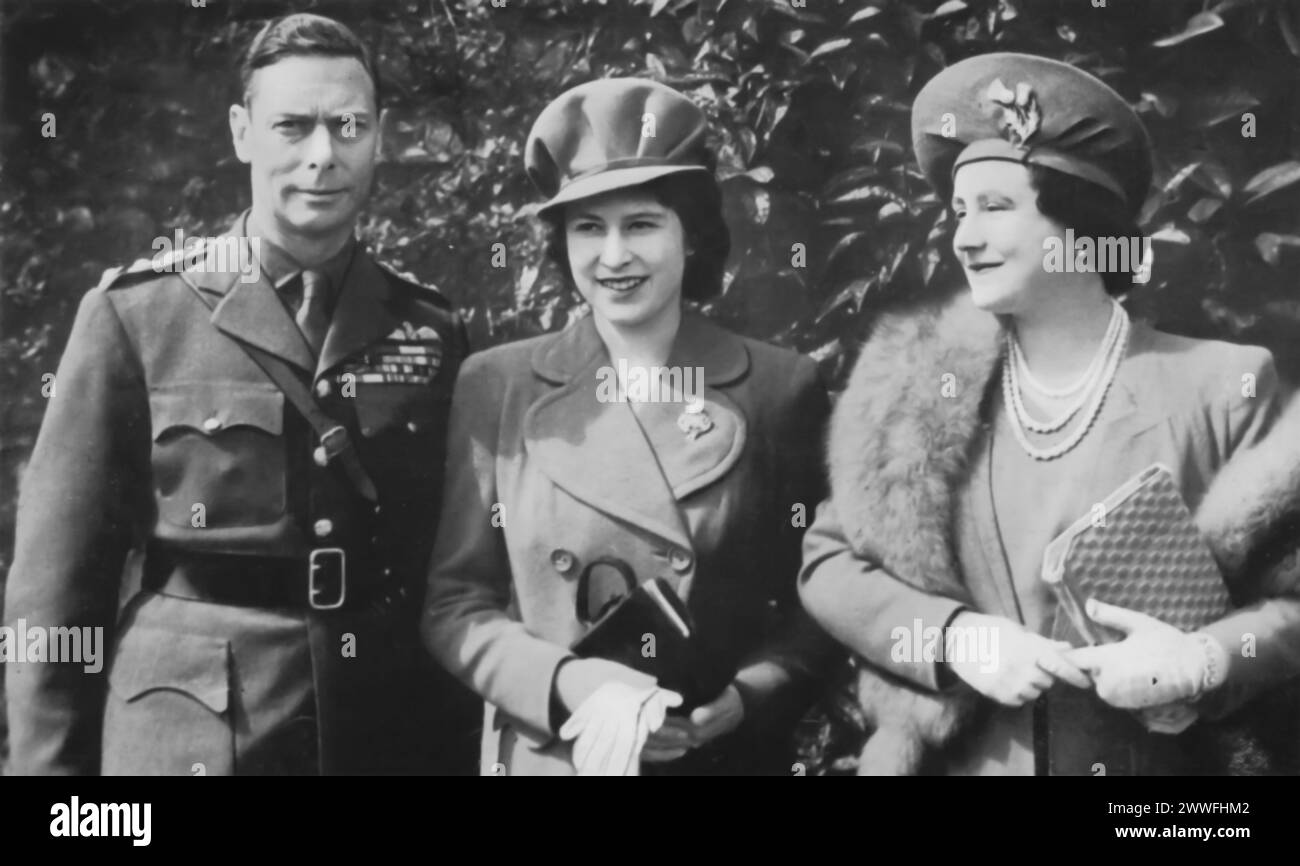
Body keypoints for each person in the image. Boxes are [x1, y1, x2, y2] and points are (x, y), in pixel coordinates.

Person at [798, 52, 1300, 775]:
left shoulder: (1221, 384)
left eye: (996, 208)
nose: (963, 237)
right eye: (959, 213)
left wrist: (1201, 661)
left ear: (1082, 224)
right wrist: (953, 639)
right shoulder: (913, 393)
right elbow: (828, 564)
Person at [4, 13, 477, 775]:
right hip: (190, 735)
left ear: (380, 137)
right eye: (293, 126)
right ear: (241, 132)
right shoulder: (140, 316)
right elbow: (56, 598)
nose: (323, 156)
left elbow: (456, 572)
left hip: (387, 732)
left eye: (349, 126)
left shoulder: (433, 331)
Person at [422, 77, 839, 776]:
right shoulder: (498, 384)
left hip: (716, 757)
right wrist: (565, 687)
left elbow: (818, 597)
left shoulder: (777, 388)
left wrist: (748, 697)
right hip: (553, 755)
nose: (614, 257)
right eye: (589, 228)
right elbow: (457, 601)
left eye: (642, 224)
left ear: (694, 236)